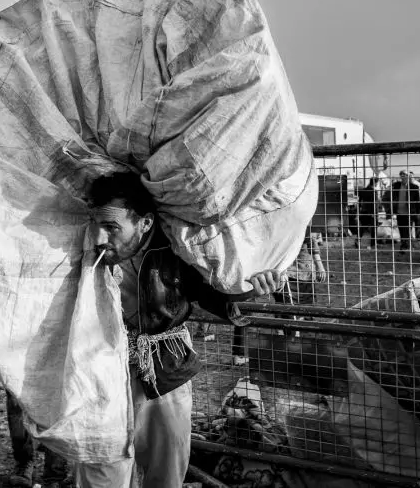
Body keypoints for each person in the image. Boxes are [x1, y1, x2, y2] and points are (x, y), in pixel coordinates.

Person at [74, 172, 287, 488]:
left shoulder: (180, 249)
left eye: (112, 227)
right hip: (100, 372)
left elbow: (215, 294)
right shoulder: (86, 252)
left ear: (145, 223)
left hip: (164, 370)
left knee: (166, 466)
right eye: (97, 224)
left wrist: (250, 291)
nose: (101, 238)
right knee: (100, 466)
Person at [384, 170, 420, 252]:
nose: (404, 176)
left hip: (409, 213)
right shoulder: (397, 185)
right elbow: (388, 187)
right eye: (402, 175)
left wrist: (418, 213)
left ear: (408, 176)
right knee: (401, 229)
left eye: (405, 175)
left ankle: (405, 245)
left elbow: (417, 201)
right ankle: (404, 244)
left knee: (408, 229)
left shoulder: (414, 187)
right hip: (399, 212)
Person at [353, 176, 380, 249]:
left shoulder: (363, 191)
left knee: (363, 227)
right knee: (374, 229)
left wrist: (359, 211)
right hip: (372, 213)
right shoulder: (374, 192)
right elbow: (375, 204)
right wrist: (375, 214)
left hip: (363, 211)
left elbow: (359, 202)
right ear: (375, 183)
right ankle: (373, 244)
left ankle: (357, 240)